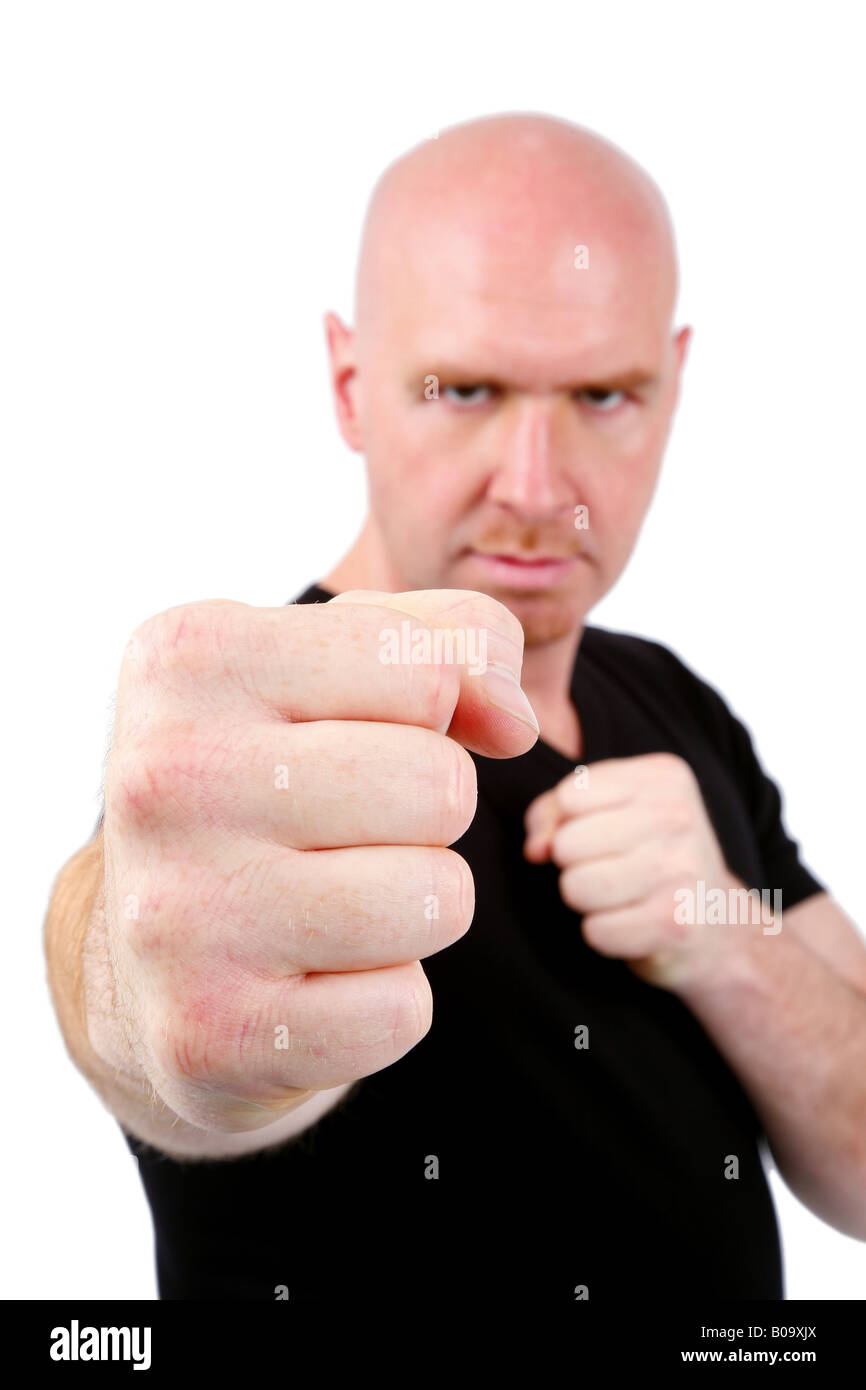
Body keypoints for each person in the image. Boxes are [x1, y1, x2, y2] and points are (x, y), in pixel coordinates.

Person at [44, 112, 866, 1305]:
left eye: (602, 395)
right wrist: (131, 969)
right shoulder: (272, 750)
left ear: (673, 382)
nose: (534, 488)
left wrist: (718, 933)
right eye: (465, 387)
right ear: (349, 386)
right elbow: (142, 967)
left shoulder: (671, 696)